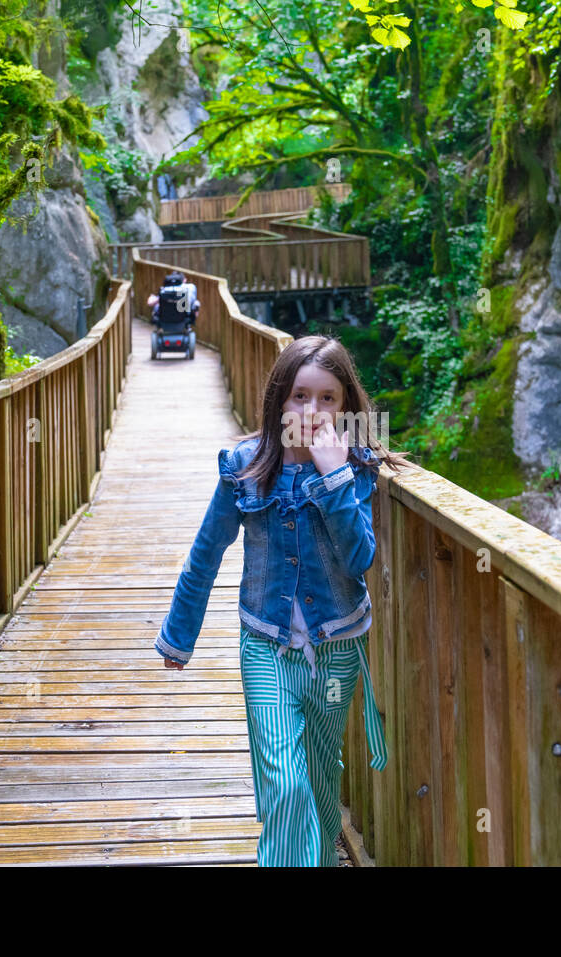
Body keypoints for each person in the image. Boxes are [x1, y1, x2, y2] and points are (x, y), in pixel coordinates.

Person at [153, 335, 411, 866]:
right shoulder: (246, 466)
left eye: (327, 399)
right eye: (299, 395)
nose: (311, 410)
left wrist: (334, 475)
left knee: (319, 780)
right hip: (266, 646)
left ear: (345, 407)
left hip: (337, 649)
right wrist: (179, 636)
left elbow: (359, 557)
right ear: (278, 400)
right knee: (286, 786)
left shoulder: (354, 467)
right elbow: (206, 554)